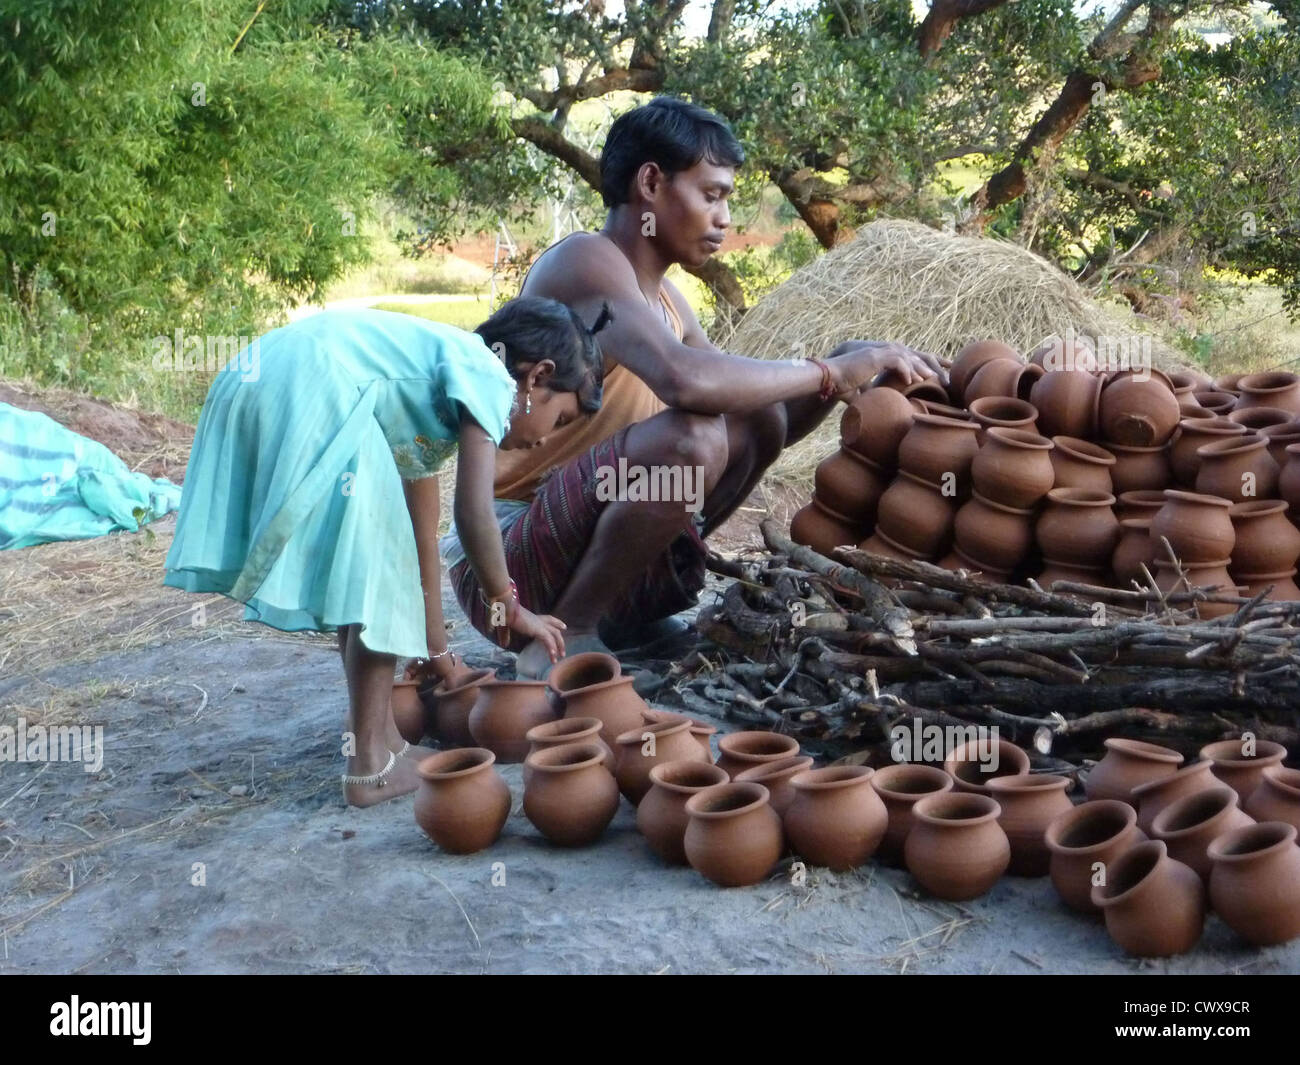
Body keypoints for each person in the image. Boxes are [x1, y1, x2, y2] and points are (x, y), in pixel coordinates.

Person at [441, 97, 944, 677]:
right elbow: (688, 383)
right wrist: (827, 373)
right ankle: (568, 636)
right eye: (712, 195)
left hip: (576, 552)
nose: (725, 219)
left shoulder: (667, 301)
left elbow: (757, 413)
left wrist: (846, 370)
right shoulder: (584, 261)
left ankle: (617, 616)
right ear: (651, 183)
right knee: (693, 439)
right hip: (506, 570)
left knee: (749, 419)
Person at [163, 299, 607, 806]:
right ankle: (370, 767)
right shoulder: (488, 375)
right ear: (536, 378)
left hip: (266, 371)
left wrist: (437, 653)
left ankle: (379, 744)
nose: (544, 440)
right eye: (560, 418)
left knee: (368, 570)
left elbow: (422, 538)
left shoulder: (435, 381)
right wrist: (509, 604)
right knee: (379, 576)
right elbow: (474, 514)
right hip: (308, 381)